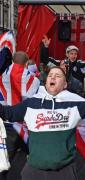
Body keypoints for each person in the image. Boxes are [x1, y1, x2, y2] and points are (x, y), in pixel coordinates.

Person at [0, 66, 85, 180]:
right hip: (33, 172)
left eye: (58, 76)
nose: (53, 77)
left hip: (64, 173)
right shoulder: (31, 104)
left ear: (65, 84)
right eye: (50, 75)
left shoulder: (74, 105)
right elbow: (7, 113)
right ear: (46, 82)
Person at [0, 51, 40, 180]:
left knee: (4, 161)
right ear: (27, 63)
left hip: (5, 122)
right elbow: (33, 102)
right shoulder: (33, 80)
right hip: (23, 125)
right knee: (36, 157)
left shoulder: (1, 75)